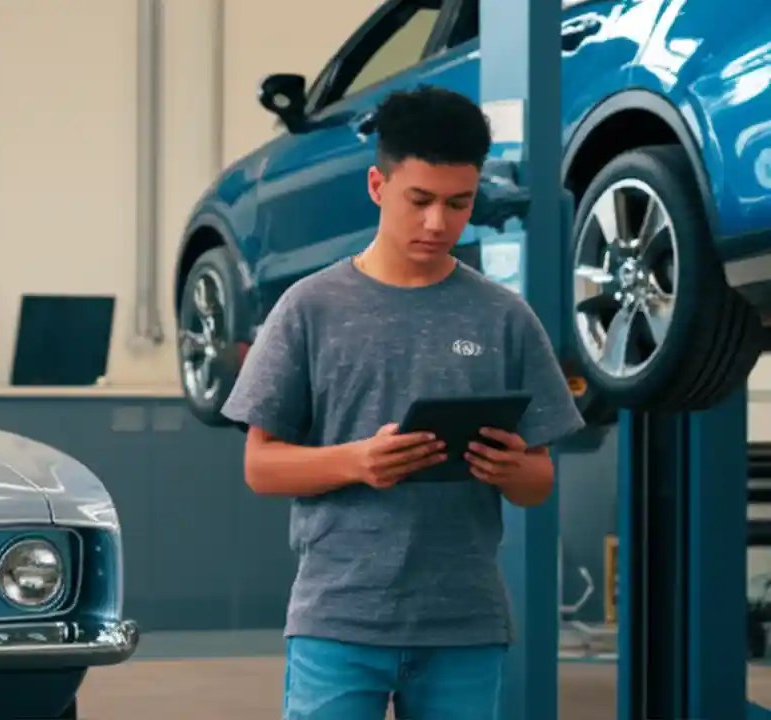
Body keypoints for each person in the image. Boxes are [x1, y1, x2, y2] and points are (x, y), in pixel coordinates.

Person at [220, 85, 586, 720]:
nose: (438, 223)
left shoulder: (505, 318)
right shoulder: (309, 308)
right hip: (339, 621)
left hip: (465, 625)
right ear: (377, 186)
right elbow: (260, 467)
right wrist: (358, 461)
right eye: (420, 200)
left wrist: (510, 469)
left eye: (459, 203)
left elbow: (538, 482)